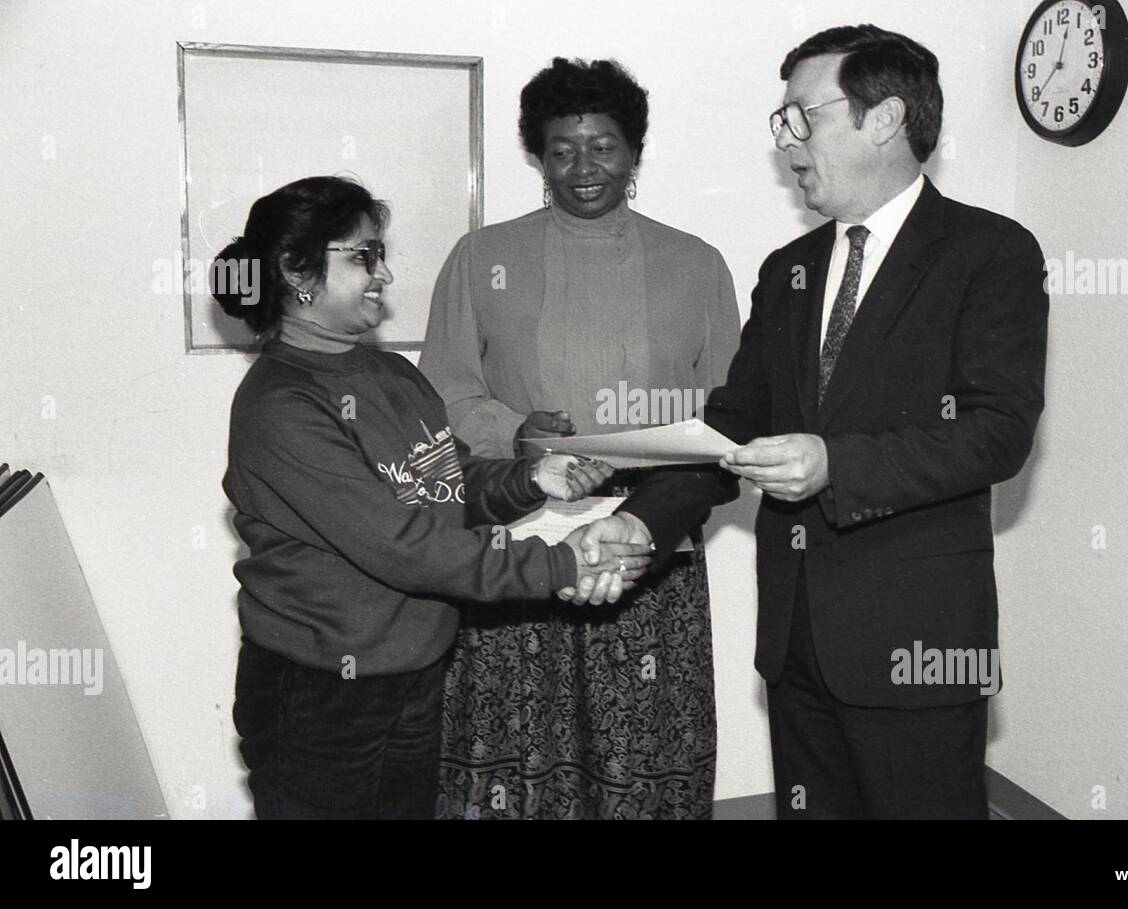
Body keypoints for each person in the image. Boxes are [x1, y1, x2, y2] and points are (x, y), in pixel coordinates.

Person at [590, 24, 1050, 819]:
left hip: (921, 647)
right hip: (797, 640)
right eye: (782, 122)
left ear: (886, 118)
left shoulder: (992, 252)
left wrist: (838, 462)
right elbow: (731, 426)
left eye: (803, 116)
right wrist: (639, 522)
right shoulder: (789, 270)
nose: (787, 141)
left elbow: (997, 431)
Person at [216, 175, 650, 819]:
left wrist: (530, 480)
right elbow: (404, 547)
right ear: (295, 273)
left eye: (379, 253)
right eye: (361, 256)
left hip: (413, 673)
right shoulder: (281, 406)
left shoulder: (391, 371)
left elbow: (445, 485)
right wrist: (562, 566)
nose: (382, 274)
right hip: (320, 693)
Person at [420, 58, 741, 819]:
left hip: (649, 538)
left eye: (603, 146)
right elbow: (445, 389)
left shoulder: (696, 264)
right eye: (562, 149)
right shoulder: (481, 258)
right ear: (538, 155)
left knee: (647, 753)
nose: (583, 167)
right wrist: (516, 432)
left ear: (634, 151)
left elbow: (732, 412)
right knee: (517, 752)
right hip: (520, 535)